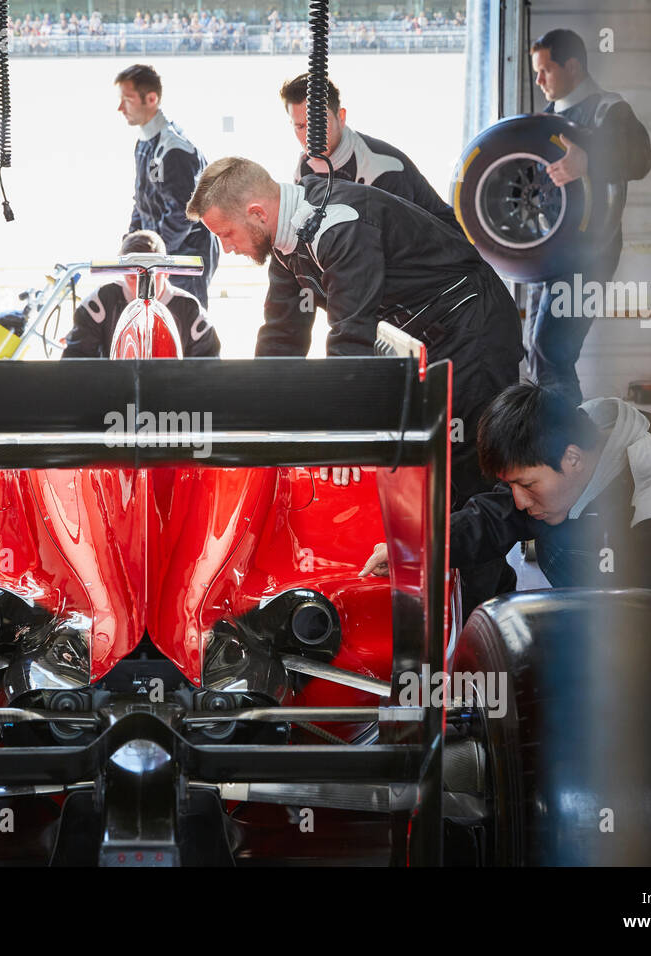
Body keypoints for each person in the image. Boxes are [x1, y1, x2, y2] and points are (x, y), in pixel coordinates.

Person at [360, 382, 651, 750]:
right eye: (512, 484)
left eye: (526, 484)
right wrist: (416, 546)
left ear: (572, 460)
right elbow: (498, 514)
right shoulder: (574, 440)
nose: (518, 499)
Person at [186, 156, 524, 608]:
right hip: (424, 334)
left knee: (468, 471)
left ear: (257, 214)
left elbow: (350, 338)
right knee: (436, 472)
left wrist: (342, 437)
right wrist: (252, 421)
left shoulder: (337, 225)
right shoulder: (286, 241)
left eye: (224, 234)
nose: (225, 249)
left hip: (472, 323)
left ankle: (487, 613)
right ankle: (455, 589)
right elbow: (282, 338)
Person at [527, 28, 651, 404]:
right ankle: (553, 445)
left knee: (553, 352)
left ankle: (571, 447)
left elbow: (642, 160)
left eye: (545, 70)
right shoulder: (545, 118)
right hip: (547, 256)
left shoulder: (609, 110)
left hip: (590, 256)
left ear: (573, 66)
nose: (538, 80)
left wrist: (590, 160)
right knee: (538, 353)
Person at [278, 74, 459, 232]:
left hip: (444, 256)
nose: (311, 135)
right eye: (300, 126)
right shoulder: (304, 170)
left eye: (320, 123)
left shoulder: (381, 168)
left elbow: (400, 247)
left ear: (341, 117)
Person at [116, 64, 218, 308]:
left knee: (183, 330)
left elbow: (184, 214)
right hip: (159, 257)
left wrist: (151, 256)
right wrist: (129, 245)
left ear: (151, 99)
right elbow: (142, 202)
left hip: (184, 257)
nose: (120, 108)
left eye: (127, 100)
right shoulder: (145, 142)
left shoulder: (174, 149)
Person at [62, 229, 221, 358]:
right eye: (132, 277)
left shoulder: (190, 310)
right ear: (122, 273)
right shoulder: (100, 303)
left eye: (152, 275)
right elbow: (76, 358)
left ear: (166, 272)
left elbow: (209, 366)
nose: (140, 285)